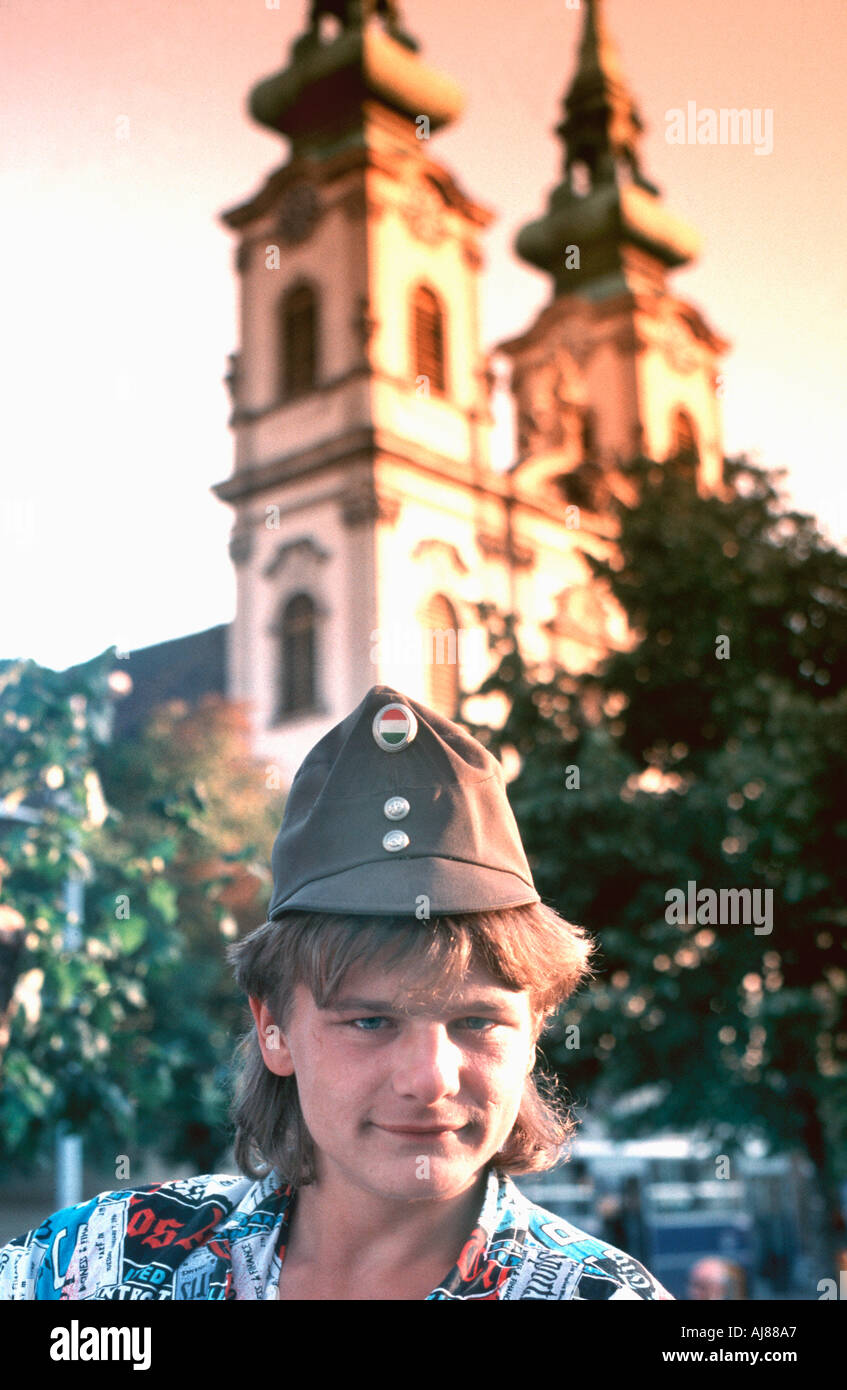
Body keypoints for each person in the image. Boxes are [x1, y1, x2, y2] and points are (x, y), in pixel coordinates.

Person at [0, 684, 673, 1300]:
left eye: (476, 1021)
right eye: (370, 1022)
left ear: (534, 1030)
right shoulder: (93, 1265)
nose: (429, 1080)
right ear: (274, 1030)